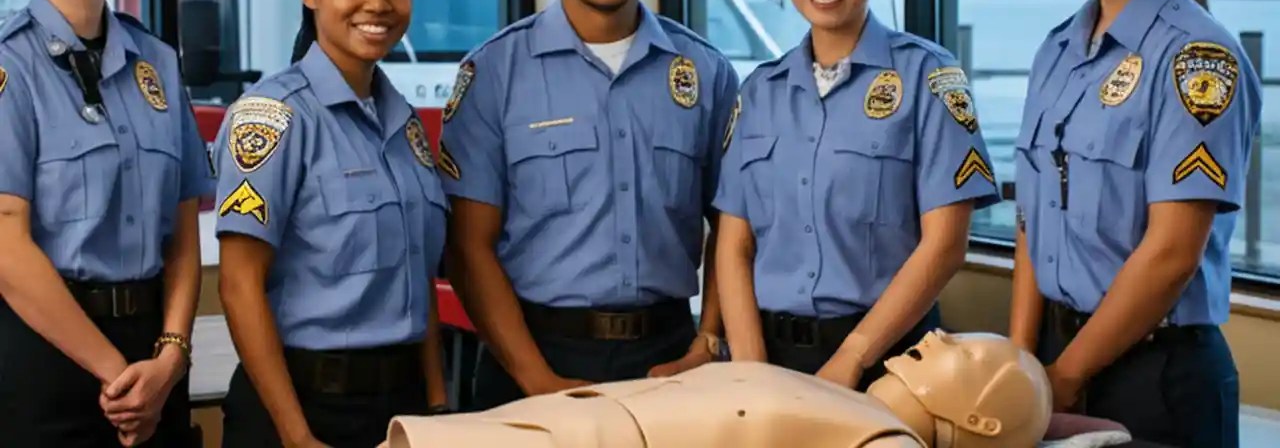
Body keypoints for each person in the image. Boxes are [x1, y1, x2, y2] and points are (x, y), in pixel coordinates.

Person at [441, 0, 739, 409]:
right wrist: (536, 380)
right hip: (533, 358)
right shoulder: (494, 74)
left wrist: (709, 342)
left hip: (671, 362)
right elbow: (467, 247)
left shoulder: (705, 73)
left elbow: (733, 225)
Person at [1008, 0, 1262, 448]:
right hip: (1052, 360)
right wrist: (1018, 364)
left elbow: (1172, 253)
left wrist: (1063, 377)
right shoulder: (1057, 51)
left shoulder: (1198, 57)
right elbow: (1030, 227)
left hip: (1155, 378)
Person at [716, 0, 999, 391]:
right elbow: (734, 245)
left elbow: (946, 245)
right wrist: (751, 371)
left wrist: (852, 358)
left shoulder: (929, 78)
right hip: (767, 361)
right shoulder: (759, 91)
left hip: (889, 365)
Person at [0, 0, 209, 446]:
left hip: (154, 360)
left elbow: (182, 231)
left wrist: (170, 357)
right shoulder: (11, 68)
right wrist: (121, 378)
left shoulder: (159, 62)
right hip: (47, 360)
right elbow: (8, 251)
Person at [214, 0, 450, 448]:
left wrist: (437, 404)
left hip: (401, 406)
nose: (379, 5)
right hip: (303, 405)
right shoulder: (271, 116)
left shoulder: (404, 123)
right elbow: (239, 285)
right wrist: (296, 435)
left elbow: (416, 279)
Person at [377, 331, 1054, 448]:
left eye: (964, 349)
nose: (937, 339)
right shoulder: (842, 400)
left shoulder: (885, 439)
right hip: (571, 415)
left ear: (981, 418)